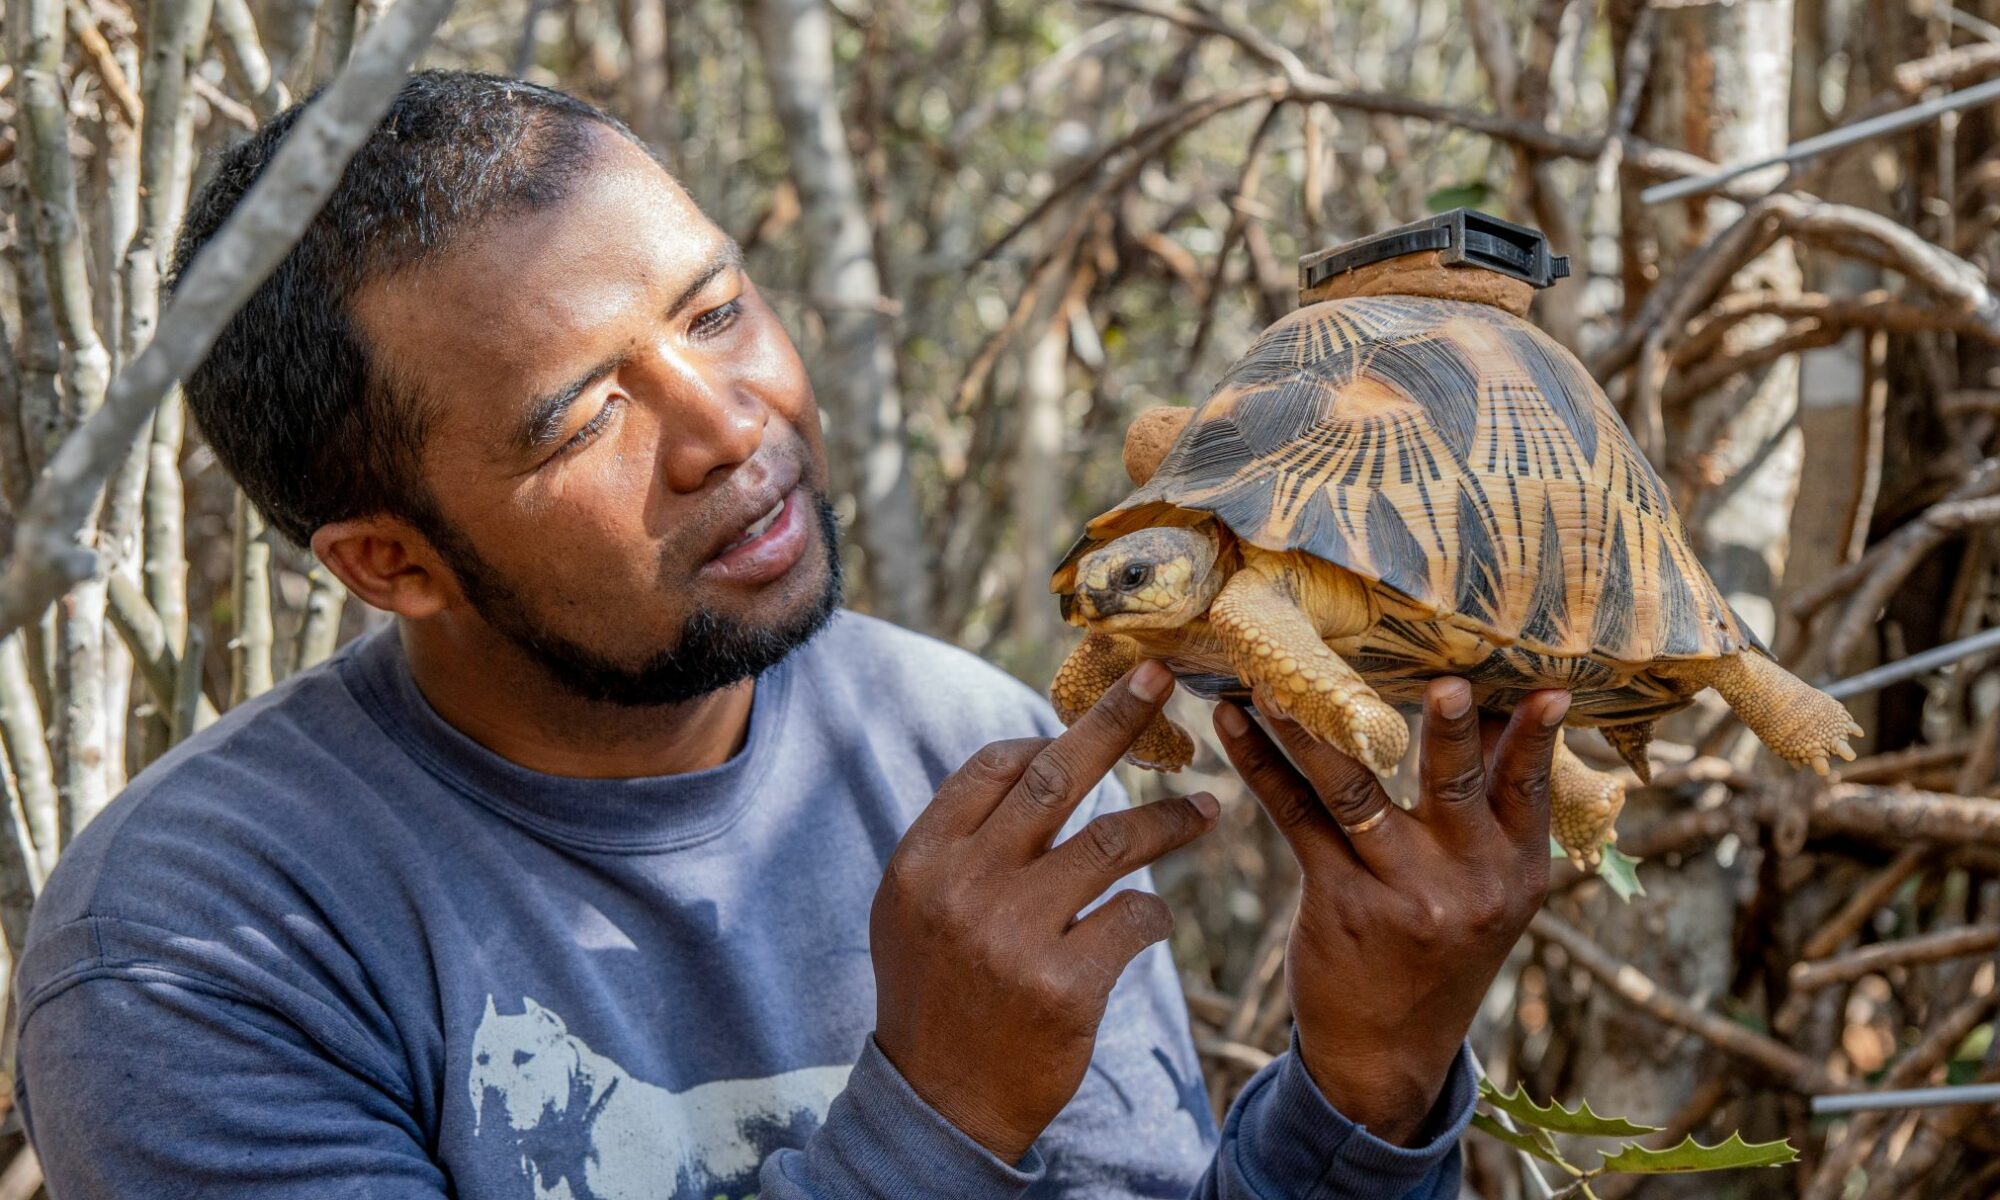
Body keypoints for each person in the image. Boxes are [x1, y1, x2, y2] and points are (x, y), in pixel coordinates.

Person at [13, 71, 1560, 1199]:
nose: (728, 426)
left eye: (715, 312)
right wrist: (934, 1122)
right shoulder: (194, 952)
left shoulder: (966, 746)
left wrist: (1367, 1091)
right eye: (583, 418)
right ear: (389, 563)